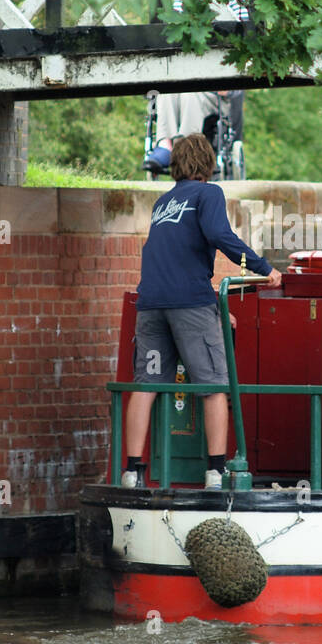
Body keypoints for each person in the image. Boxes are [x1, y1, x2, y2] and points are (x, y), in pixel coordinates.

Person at [125, 134, 282, 488]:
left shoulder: (162, 203)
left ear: (176, 165)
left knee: (147, 385)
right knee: (214, 384)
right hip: (189, 304)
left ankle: (132, 472)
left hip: (150, 305)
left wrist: (212, 305)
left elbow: (172, 256)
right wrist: (263, 268)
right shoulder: (208, 193)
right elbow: (219, 235)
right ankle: (215, 472)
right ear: (208, 164)